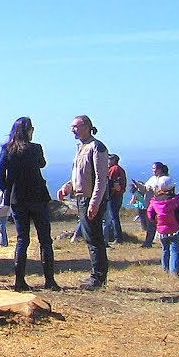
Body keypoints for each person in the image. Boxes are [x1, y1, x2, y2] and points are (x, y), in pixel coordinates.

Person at [0, 116, 59, 291]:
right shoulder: (36, 148)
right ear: (28, 131)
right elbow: (42, 164)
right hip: (38, 196)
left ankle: (19, 281)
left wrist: (10, 189)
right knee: (45, 239)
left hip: (18, 199)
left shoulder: (7, 150)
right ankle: (50, 281)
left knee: (22, 239)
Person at [56, 115, 110, 290]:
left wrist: (94, 202)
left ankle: (98, 278)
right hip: (80, 198)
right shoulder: (80, 148)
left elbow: (101, 179)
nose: (72, 130)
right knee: (89, 237)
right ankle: (96, 274)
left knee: (94, 239)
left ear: (86, 126)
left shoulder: (97, 147)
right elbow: (78, 175)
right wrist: (67, 187)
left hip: (90, 200)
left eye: (75, 126)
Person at [146, 162, 179, 276]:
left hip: (161, 230)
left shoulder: (155, 201)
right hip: (175, 227)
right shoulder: (176, 199)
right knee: (175, 250)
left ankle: (165, 270)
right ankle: (174, 272)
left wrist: (155, 221)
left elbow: (149, 213)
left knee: (165, 250)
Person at [104, 154, 127, 245]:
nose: (108, 161)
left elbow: (112, 182)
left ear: (114, 160)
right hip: (116, 195)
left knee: (113, 217)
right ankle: (116, 236)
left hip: (114, 196)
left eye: (109, 159)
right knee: (114, 217)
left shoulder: (114, 169)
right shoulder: (117, 169)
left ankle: (118, 237)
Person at [127, 177, 155, 248]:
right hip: (148, 207)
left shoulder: (135, 193)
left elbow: (132, 201)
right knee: (149, 222)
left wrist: (134, 203)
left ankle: (146, 232)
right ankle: (149, 236)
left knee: (143, 222)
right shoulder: (145, 192)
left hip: (140, 208)